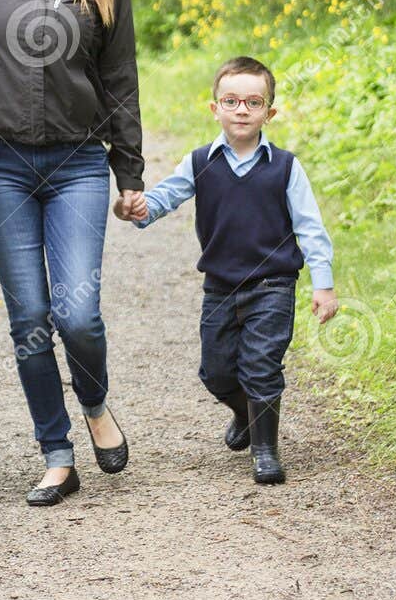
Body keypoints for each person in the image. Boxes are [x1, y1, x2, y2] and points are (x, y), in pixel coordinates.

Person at [0, 0, 145, 507]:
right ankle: (57, 452)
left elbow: (120, 74)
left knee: (76, 312)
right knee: (30, 315)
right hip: (3, 167)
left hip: (77, 164)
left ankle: (95, 402)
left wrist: (129, 171)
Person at [128, 55, 339, 484]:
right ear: (215, 109)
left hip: (272, 285)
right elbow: (166, 197)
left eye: (253, 102)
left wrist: (324, 284)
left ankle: (265, 449)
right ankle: (246, 415)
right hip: (220, 286)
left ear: (269, 112)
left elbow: (310, 228)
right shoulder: (200, 161)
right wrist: (137, 209)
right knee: (217, 370)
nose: (242, 109)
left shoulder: (284, 168)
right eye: (231, 100)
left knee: (261, 365)